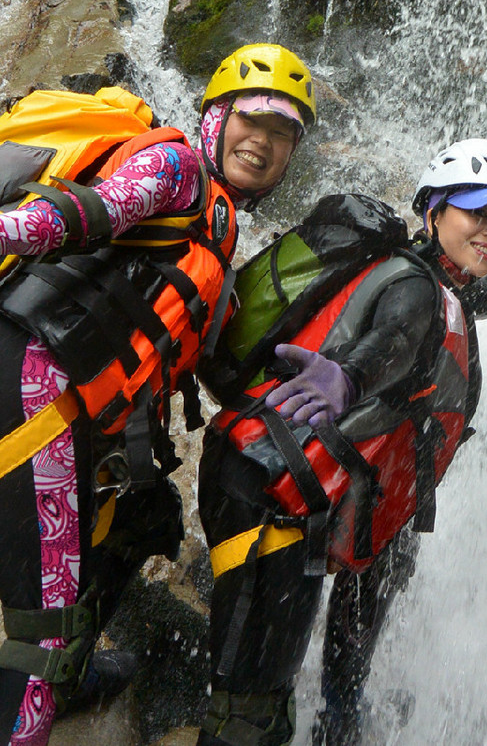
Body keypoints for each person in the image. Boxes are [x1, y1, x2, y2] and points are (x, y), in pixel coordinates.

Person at [196, 137, 487, 746]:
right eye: (478, 214)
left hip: (307, 496)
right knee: (250, 706)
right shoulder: (416, 288)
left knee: (279, 685)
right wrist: (349, 375)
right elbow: (397, 336)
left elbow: (476, 302)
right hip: (269, 493)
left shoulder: (438, 284)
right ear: (433, 211)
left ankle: (339, 723)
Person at [0, 42, 315, 746]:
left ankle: (65, 676)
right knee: (43, 634)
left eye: (282, 135)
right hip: (30, 383)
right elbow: (80, 216)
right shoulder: (175, 165)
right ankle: (40, 691)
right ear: (215, 119)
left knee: (145, 516)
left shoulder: (217, 236)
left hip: (62, 402)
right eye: (252, 122)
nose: (262, 144)